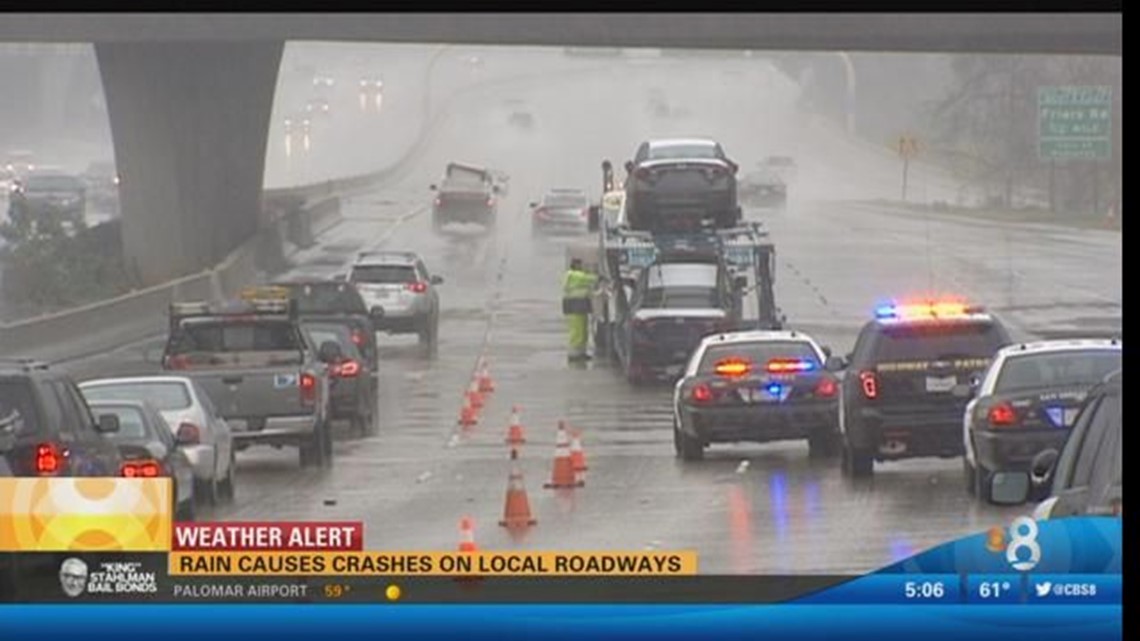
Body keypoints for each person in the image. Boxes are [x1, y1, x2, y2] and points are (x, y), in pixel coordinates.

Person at [562, 258, 598, 362]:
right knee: (577, 331)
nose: (582, 267)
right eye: (580, 265)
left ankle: (581, 353)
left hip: (579, 304)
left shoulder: (573, 275)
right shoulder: (574, 275)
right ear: (576, 265)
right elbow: (588, 279)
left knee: (583, 330)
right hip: (575, 305)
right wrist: (599, 276)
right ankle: (574, 354)